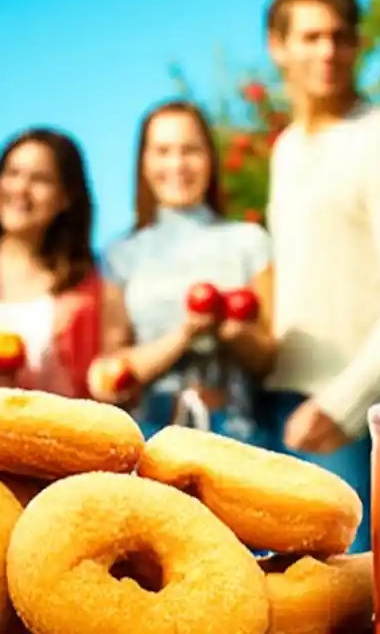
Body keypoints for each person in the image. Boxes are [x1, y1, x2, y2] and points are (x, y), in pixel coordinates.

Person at [261, 0, 380, 553]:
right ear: (277, 45)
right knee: (292, 597)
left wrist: (343, 404)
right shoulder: (285, 151)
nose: (328, 51)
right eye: (311, 37)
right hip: (281, 407)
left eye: (340, 37)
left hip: (353, 416)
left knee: (355, 598)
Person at [91, 100, 276, 446]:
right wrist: (183, 335)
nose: (177, 164)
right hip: (151, 438)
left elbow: (268, 358)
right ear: (144, 163)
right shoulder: (121, 254)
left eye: (190, 150)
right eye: (163, 151)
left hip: (239, 437)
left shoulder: (249, 241)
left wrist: (233, 333)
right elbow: (115, 366)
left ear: (210, 159)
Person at [0, 127, 128, 399]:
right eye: (12, 173)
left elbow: (106, 386)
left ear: (65, 198)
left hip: (53, 432)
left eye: (40, 179)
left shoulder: (91, 289)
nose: (21, 188)